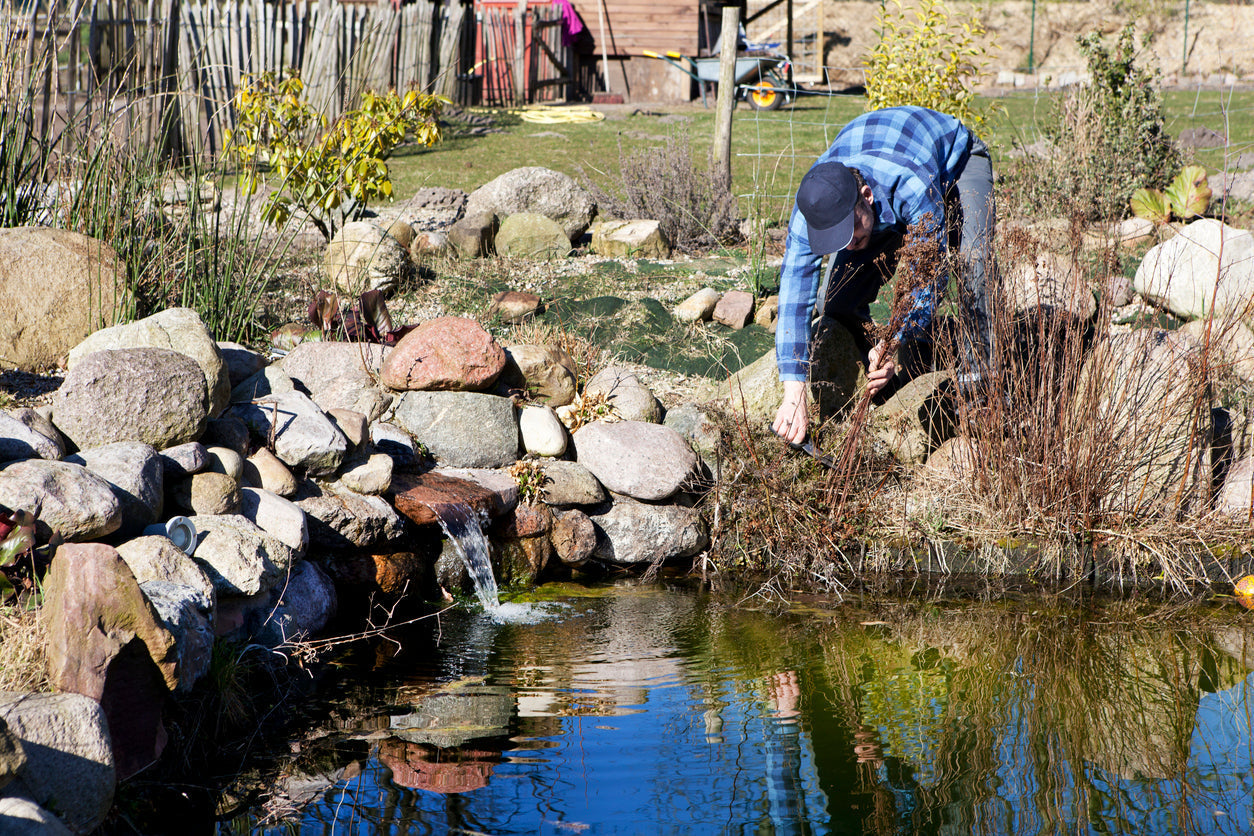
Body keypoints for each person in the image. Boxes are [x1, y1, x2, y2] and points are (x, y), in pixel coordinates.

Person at [771, 105, 996, 446]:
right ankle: (878, 381)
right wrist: (794, 391)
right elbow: (793, 291)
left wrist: (896, 339)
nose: (847, 243)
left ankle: (980, 391)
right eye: (836, 236)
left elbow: (929, 274)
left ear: (865, 197)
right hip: (885, 185)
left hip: (957, 163)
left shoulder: (909, 185)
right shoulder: (814, 207)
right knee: (835, 303)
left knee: (974, 268)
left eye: (850, 229)